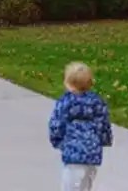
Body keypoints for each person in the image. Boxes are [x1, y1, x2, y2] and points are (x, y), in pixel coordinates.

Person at [48, 62, 113, 191]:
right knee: (85, 185)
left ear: (67, 82)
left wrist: (57, 141)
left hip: (73, 152)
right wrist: (104, 141)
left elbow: (56, 124)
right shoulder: (96, 102)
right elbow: (103, 125)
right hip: (91, 153)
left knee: (70, 186)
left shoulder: (65, 102)